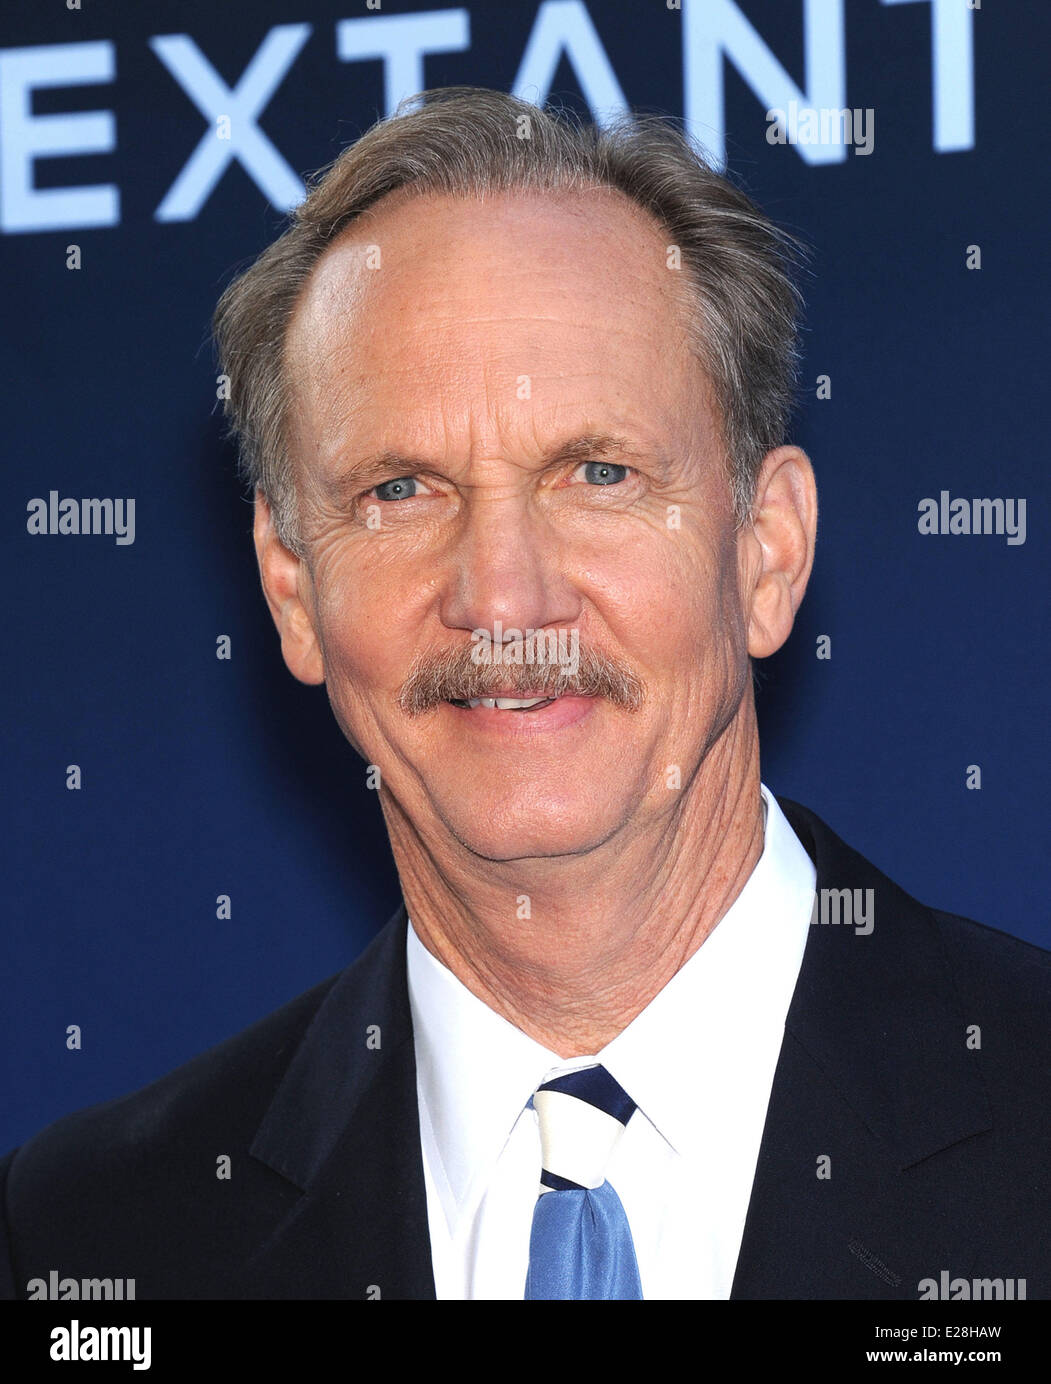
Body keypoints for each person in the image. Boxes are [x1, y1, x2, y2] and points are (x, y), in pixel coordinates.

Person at [2, 87, 1048, 1302]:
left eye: (596, 472)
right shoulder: (89, 1242)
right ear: (291, 591)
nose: (502, 599)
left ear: (765, 549)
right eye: (400, 489)